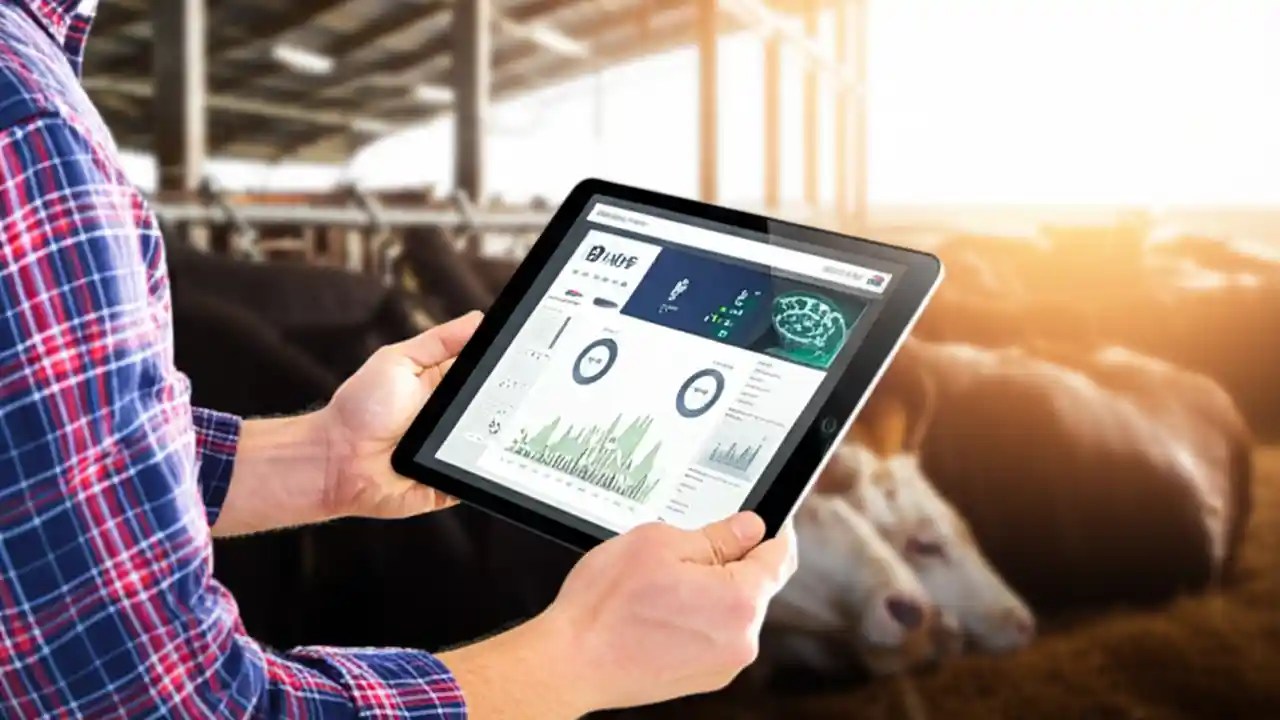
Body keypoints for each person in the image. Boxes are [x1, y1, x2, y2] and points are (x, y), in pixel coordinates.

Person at [0, 2, 797, 718]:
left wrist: (319, 460)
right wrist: (580, 656)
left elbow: (28, 475)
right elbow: (156, 706)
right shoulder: (26, 121)